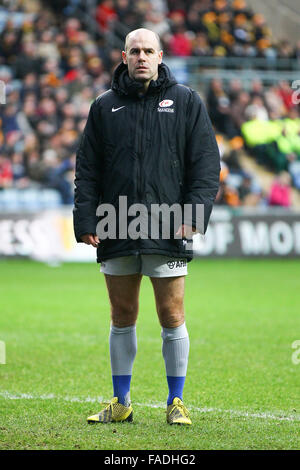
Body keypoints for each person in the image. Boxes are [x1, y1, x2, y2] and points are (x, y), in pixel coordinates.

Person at [73, 28, 220, 425]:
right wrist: (86, 219)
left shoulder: (187, 101)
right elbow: (87, 170)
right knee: (122, 313)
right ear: (123, 56)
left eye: (148, 51)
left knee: (172, 314)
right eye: (134, 51)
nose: (141, 57)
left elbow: (205, 165)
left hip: (170, 224)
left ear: (160, 56)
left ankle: (176, 402)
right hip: (115, 221)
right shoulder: (104, 106)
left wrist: (193, 215)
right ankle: (121, 403)